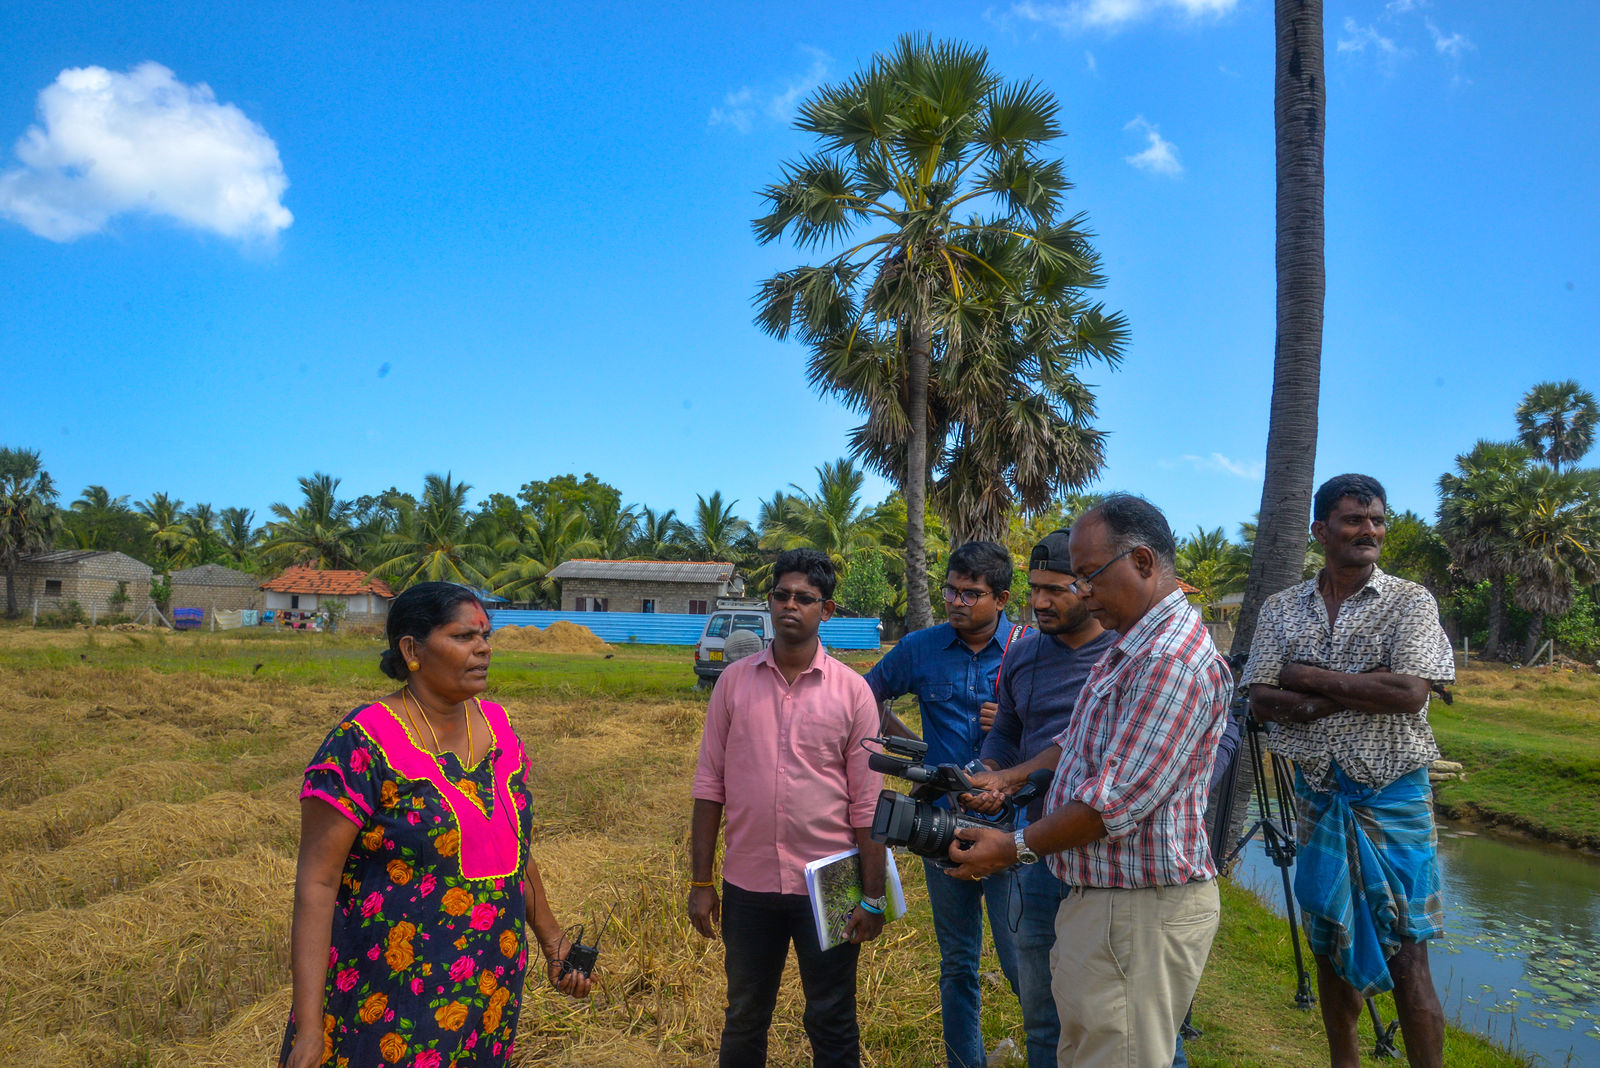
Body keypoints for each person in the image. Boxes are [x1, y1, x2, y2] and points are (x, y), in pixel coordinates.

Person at [945, 495, 1232, 1068]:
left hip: (1135, 911)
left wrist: (1014, 847)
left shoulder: (1168, 659)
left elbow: (1111, 805)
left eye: (1087, 577)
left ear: (1144, 562)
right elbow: (1073, 748)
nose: (1081, 593)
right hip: (1099, 899)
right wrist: (1001, 779)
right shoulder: (1129, 648)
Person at [280, 582, 590, 1068]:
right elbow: (317, 884)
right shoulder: (363, 741)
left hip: (487, 990)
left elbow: (513, 848)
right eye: (464, 637)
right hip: (388, 995)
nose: (484, 648)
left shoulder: (501, 731)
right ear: (412, 649)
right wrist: (309, 1028)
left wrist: (552, 940)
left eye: (486, 635)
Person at [1243, 474, 1455, 1068]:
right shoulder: (1282, 608)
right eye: (1355, 520)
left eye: (1378, 521)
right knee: (1328, 940)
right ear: (1321, 530)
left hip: (1395, 793)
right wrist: (1362, 689)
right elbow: (1259, 697)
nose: (1370, 531)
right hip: (1318, 791)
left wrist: (1305, 680)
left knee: (1409, 951)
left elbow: (1410, 692)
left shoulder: (1411, 602)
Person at [689, 548, 887, 1067]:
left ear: (828, 609)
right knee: (745, 1014)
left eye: (805, 598)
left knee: (832, 1013)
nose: (790, 606)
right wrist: (701, 882)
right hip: (748, 881)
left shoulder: (854, 693)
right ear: (769, 601)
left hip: (834, 880)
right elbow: (710, 785)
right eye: (781, 595)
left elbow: (867, 803)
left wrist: (872, 896)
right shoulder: (733, 683)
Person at [862, 540, 1026, 1068]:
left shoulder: (1031, 651)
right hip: (943, 825)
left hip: (1014, 830)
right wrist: (914, 747)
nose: (956, 602)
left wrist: (1011, 724)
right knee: (958, 962)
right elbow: (865, 697)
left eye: (971, 594)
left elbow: (1065, 729)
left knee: (1022, 961)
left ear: (1001, 598)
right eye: (951, 590)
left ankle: (1055, 1052)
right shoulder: (920, 647)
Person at [964, 530, 1117, 1068]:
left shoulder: (1123, 656)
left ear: (1091, 585)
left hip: (1105, 855)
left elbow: (1078, 744)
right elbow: (1005, 734)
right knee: (1040, 1007)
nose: (1041, 602)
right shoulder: (1024, 655)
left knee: (1119, 1014)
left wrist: (1011, 779)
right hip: (1033, 854)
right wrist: (987, 774)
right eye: (1034, 589)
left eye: (1056, 589)